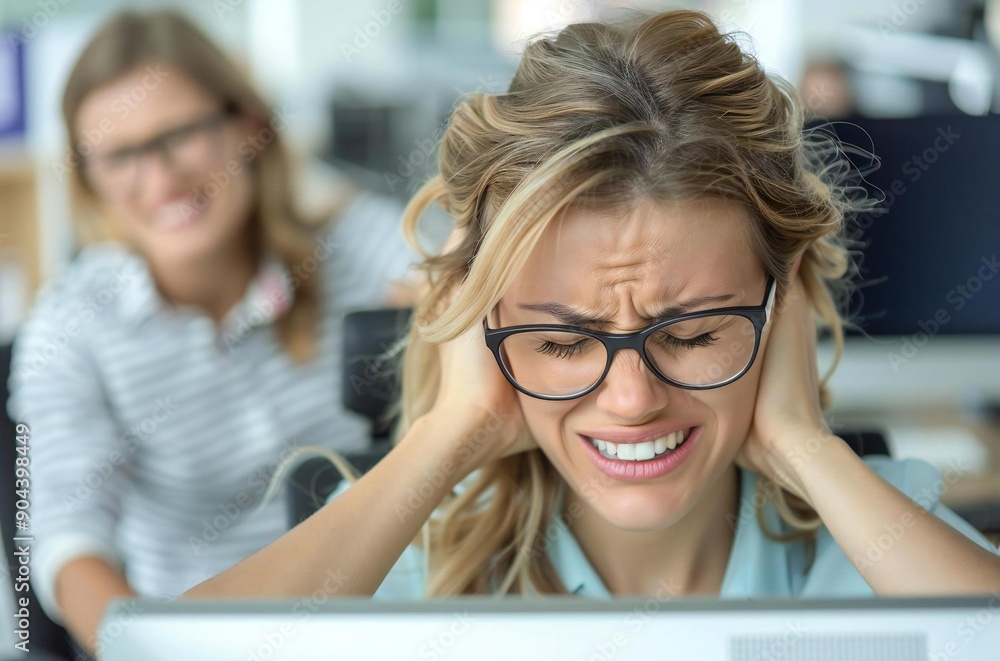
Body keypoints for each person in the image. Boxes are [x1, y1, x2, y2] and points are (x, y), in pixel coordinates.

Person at [183, 9, 1000, 607]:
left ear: (780, 313)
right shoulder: (412, 563)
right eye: (563, 341)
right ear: (483, 326)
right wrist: (445, 434)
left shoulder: (870, 545)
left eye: (694, 332)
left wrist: (804, 446)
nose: (632, 400)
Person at [8, 9, 414, 658]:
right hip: (197, 643)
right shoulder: (70, 326)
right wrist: (150, 653)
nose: (161, 178)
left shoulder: (354, 244)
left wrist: (450, 296)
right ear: (90, 180)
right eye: (120, 156)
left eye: (181, 133)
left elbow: (486, 288)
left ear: (248, 126)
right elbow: (67, 540)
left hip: (386, 629)